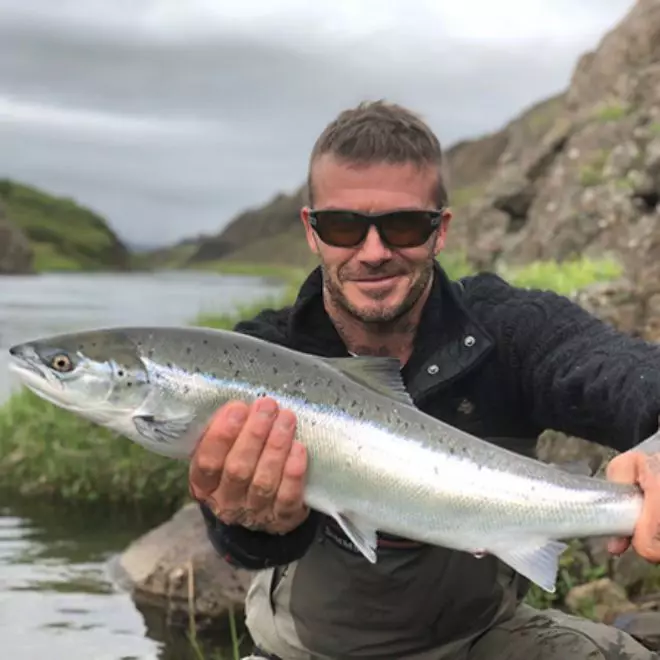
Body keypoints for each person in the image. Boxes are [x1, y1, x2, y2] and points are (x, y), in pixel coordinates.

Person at [188, 100, 660, 660]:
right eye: (344, 226)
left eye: (404, 226)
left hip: (482, 641)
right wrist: (249, 521)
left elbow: (618, 370)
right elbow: (242, 545)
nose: (373, 253)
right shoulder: (263, 355)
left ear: (441, 230)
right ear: (311, 231)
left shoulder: (510, 330)